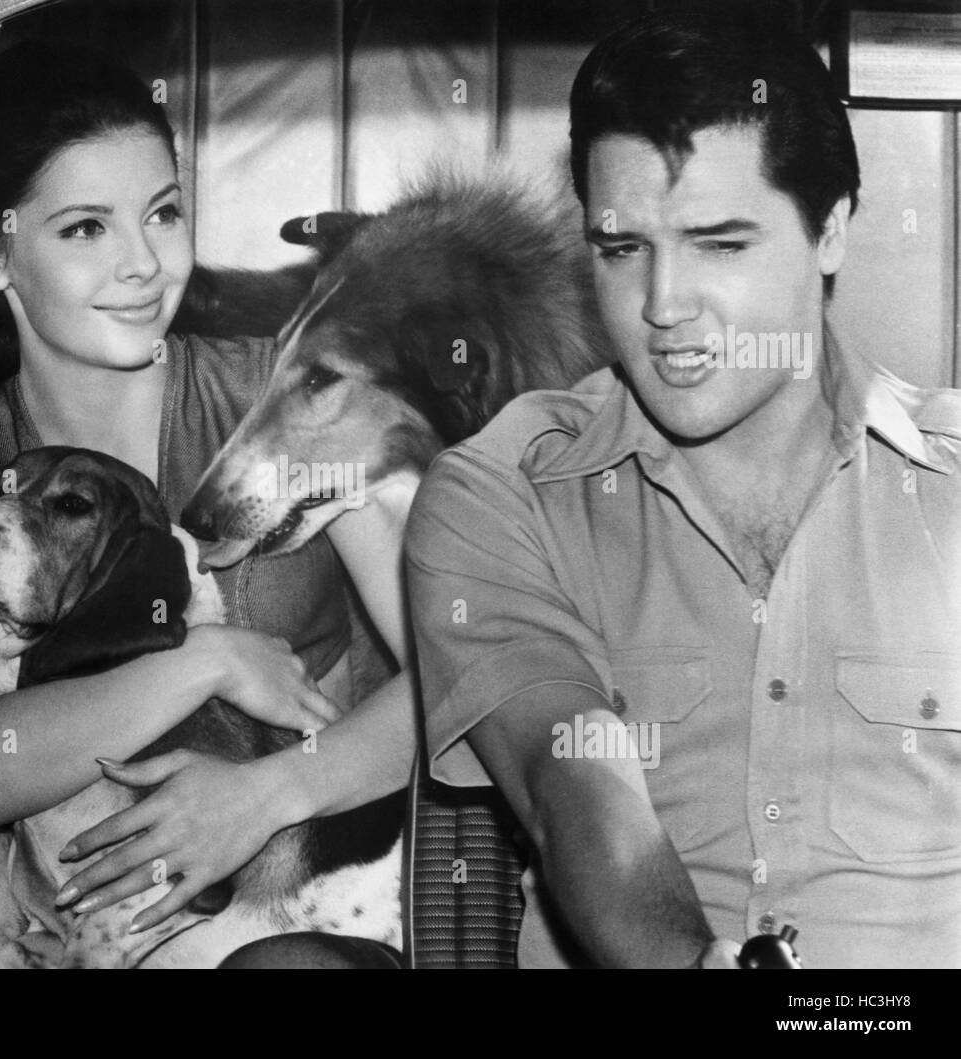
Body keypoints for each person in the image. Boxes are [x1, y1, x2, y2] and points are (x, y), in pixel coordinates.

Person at [405, 10, 961, 969]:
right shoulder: (505, 494)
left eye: (719, 244)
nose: (663, 305)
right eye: (622, 249)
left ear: (831, 232)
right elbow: (566, 776)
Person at [0, 36, 416, 955]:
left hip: (307, 917)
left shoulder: (298, 406)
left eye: (161, 214)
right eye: (85, 228)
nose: (144, 264)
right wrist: (205, 663)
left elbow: (468, 681)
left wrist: (269, 793)